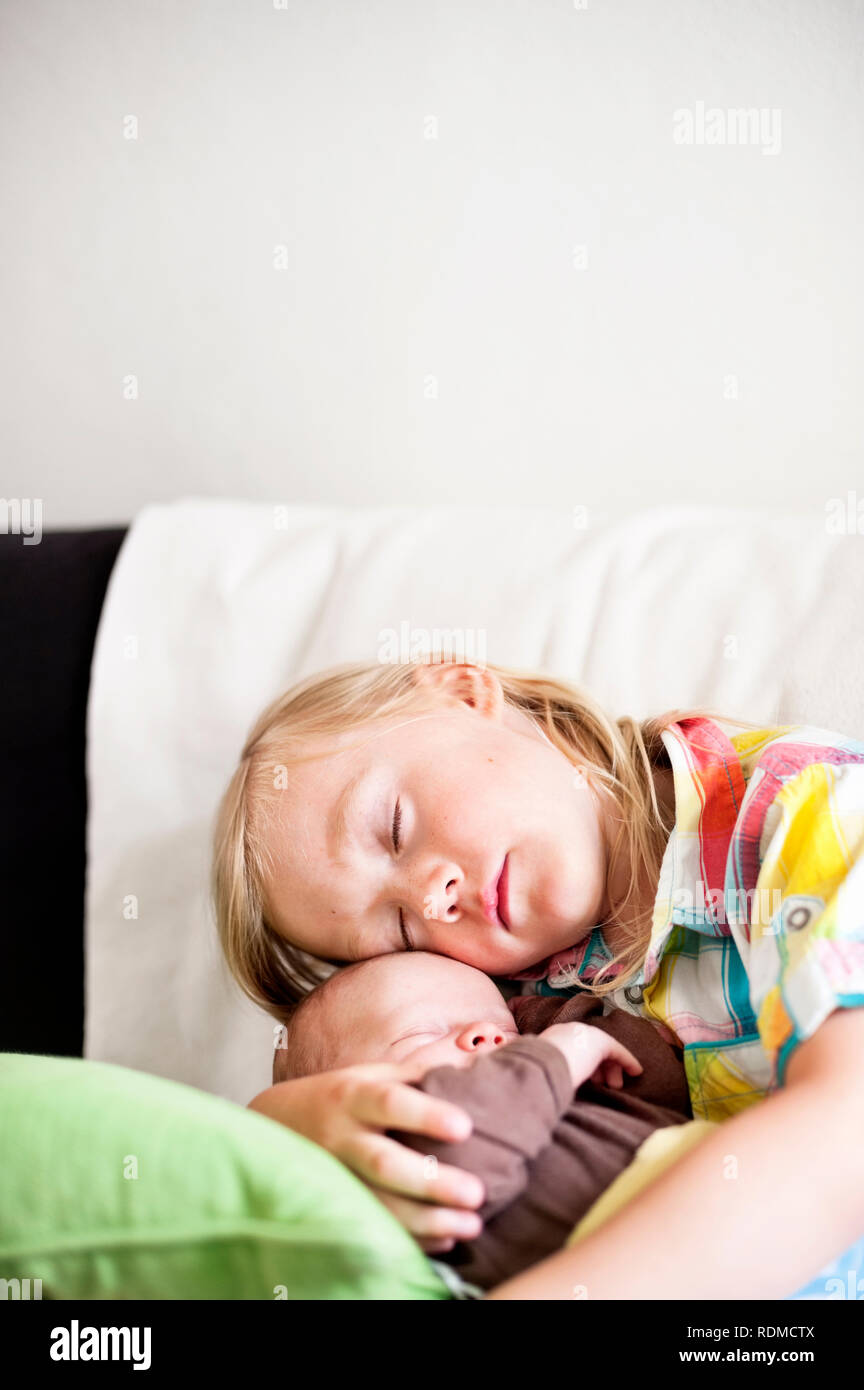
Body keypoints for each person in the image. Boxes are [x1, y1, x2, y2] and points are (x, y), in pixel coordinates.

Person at [211, 657, 864, 1297]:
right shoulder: (511, 1005)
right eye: (404, 931)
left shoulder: (801, 807)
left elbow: (842, 1135)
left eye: (395, 828)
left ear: (464, 692)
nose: (433, 900)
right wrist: (285, 1121)